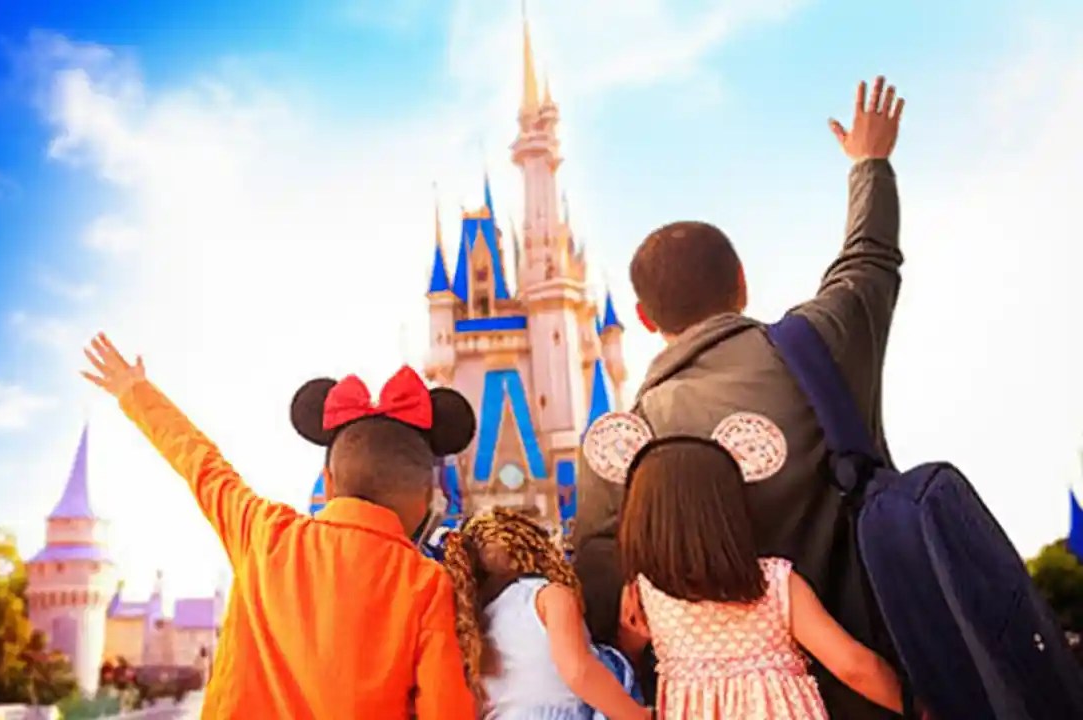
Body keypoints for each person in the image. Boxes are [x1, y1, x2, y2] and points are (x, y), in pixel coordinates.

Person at [571, 76, 907, 718]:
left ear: (641, 318)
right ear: (742, 282)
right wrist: (870, 164)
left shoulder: (625, 445)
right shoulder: (818, 348)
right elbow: (869, 260)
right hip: (872, 672)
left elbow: (604, 586)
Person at [82, 334, 477, 719]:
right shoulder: (425, 585)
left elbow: (200, 463)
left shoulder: (263, 533)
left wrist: (135, 392)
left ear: (328, 480)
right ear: (427, 498)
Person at [610, 424, 904, 718]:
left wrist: (629, 641)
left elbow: (627, 660)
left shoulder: (645, 592)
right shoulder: (775, 584)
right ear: (730, 511)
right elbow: (854, 666)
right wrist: (920, 708)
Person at [439, 507, 650, 720]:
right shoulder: (547, 596)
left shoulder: (470, 627)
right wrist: (639, 716)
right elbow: (579, 672)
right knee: (609, 663)